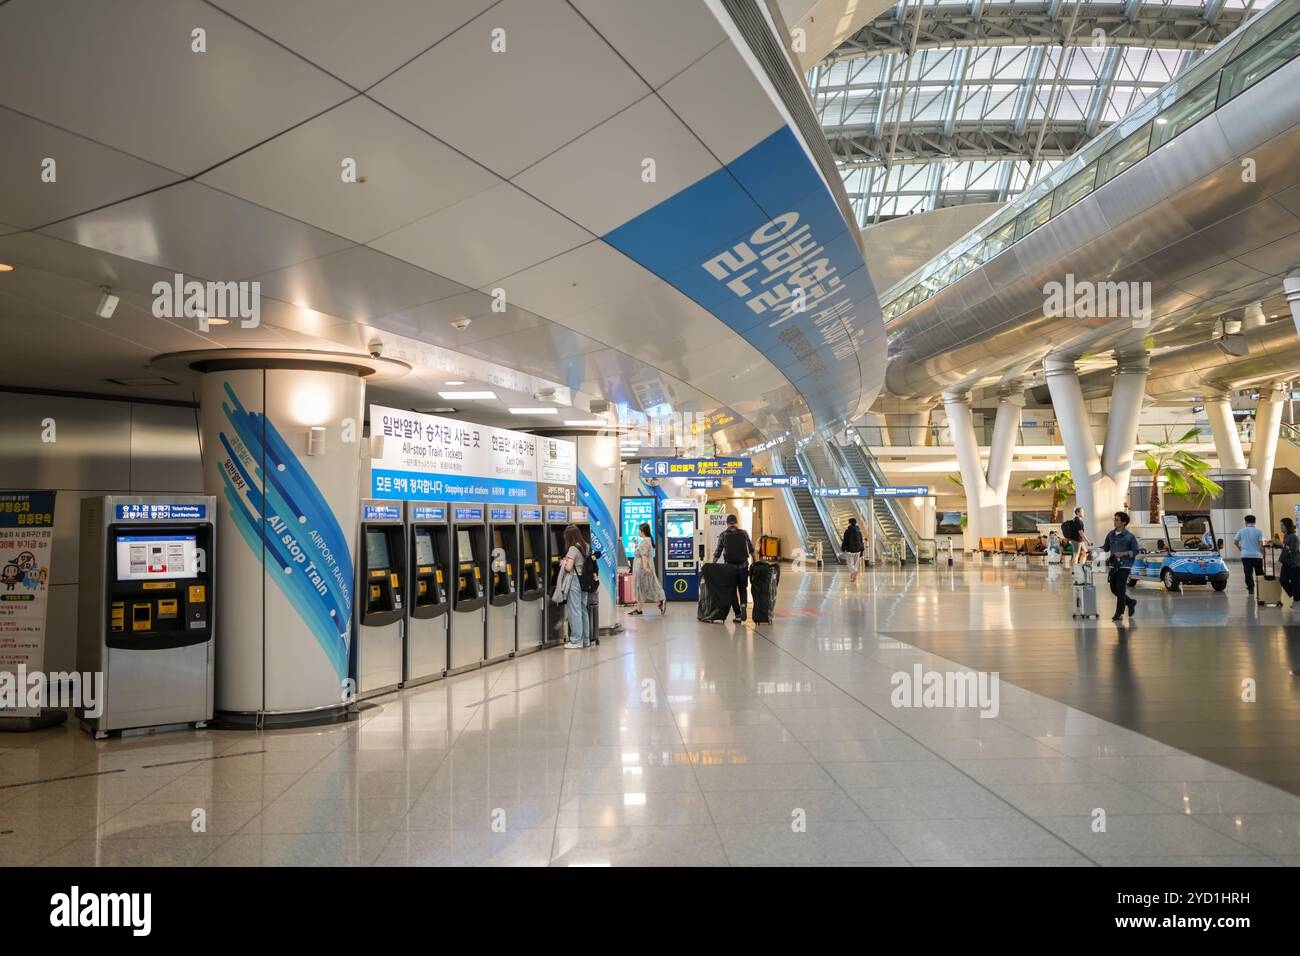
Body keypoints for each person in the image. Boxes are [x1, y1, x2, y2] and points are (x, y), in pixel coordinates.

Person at [713, 513, 754, 622]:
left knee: (731, 591)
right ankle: (744, 604)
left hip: (729, 568)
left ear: (727, 523)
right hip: (743, 566)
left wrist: (713, 564)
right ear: (736, 522)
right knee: (742, 589)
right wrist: (754, 562)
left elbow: (718, 552)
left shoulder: (723, 534)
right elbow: (751, 549)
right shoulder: (744, 533)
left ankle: (738, 614)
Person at [1101, 511, 1139, 622]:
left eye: (1117, 520)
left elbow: (1136, 551)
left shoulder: (1129, 536)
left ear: (1124, 522)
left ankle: (1119, 612)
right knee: (1113, 589)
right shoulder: (1110, 534)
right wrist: (1094, 550)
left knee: (1120, 588)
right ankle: (1130, 602)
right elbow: (1106, 547)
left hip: (1125, 565)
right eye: (1114, 519)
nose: (1115, 521)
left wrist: (1124, 553)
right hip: (1114, 565)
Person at [560, 525, 591, 648]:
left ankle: (576, 640)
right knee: (583, 609)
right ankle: (585, 640)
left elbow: (568, 568)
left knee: (574, 610)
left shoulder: (573, 548)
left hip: (574, 580)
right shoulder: (586, 545)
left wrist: (564, 562)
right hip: (584, 580)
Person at [631, 522, 665, 616]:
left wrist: (645, 567)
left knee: (641, 586)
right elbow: (641, 551)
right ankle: (639, 609)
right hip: (644, 566)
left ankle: (660, 601)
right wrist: (636, 543)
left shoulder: (645, 541)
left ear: (642, 531)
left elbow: (644, 555)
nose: (638, 531)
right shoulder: (647, 540)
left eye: (639, 529)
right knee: (646, 586)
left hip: (642, 567)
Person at [1233, 514, 1265, 595]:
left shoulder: (1241, 531)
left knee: (1248, 572)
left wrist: (1240, 548)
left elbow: (1235, 541)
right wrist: (1263, 553)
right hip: (1257, 556)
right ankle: (1261, 588)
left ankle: (1251, 588)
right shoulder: (1259, 531)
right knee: (1259, 572)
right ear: (1255, 522)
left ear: (1246, 522)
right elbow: (1261, 544)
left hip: (1245, 555)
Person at [1277, 517, 1300, 608]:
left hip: (1294, 564)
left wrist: (1282, 545)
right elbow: (1285, 548)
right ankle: (1295, 595)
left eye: (1282, 525)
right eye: (1280, 525)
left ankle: (1297, 599)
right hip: (1286, 563)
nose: (1281, 527)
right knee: (1283, 580)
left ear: (1287, 526)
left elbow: (1293, 550)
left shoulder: (1293, 536)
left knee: (1295, 582)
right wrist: (1277, 545)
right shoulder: (1286, 535)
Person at [840, 517, 865, 583]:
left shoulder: (847, 531)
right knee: (855, 564)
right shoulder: (859, 531)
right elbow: (861, 541)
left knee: (849, 564)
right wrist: (862, 549)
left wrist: (843, 548)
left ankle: (854, 572)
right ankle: (853, 577)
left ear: (849, 523)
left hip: (850, 550)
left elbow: (845, 540)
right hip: (858, 550)